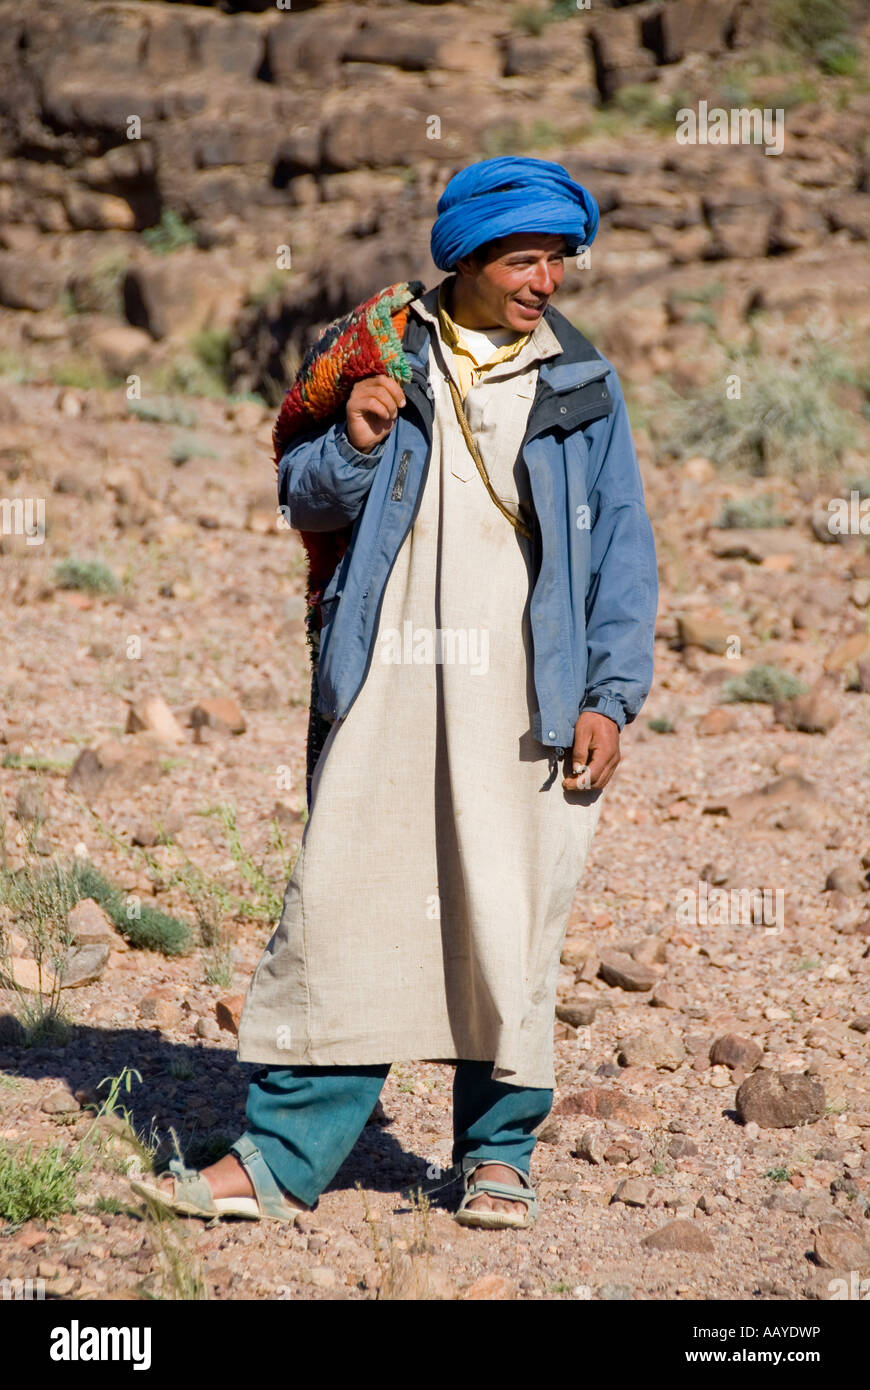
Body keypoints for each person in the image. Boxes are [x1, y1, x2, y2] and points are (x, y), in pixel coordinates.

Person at [132, 156, 658, 1230]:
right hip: (389, 675)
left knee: (509, 914)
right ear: (466, 259)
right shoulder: (377, 353)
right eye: (526, 259)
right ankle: (283, 1155)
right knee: (349, 898)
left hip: (525, 694)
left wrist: (610, 693)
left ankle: (497, 1151)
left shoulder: (582, 381)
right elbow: (302, 496)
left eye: (559, 260)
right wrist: (359, 436)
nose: (547, 281)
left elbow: (625, 556)